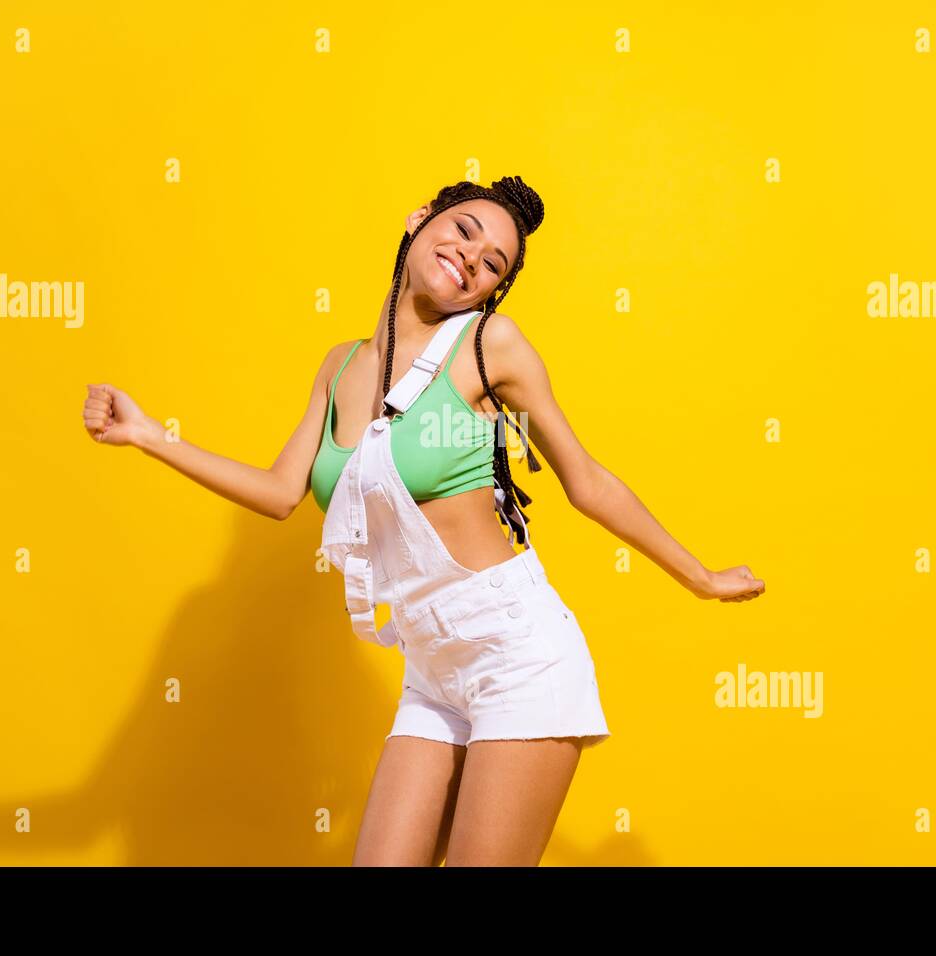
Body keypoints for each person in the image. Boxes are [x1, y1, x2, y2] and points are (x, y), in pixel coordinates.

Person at [82, 175, 765, 866]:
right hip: (431, 670)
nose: (472, 256)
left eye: (493, 262)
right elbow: (278, 492)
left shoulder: (488, 347)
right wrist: (147, 435)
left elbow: (585, 482)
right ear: (419, 221)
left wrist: (701, 577)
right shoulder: (340, 366)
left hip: (516, 652)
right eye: (465, 230)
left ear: (491, 289)